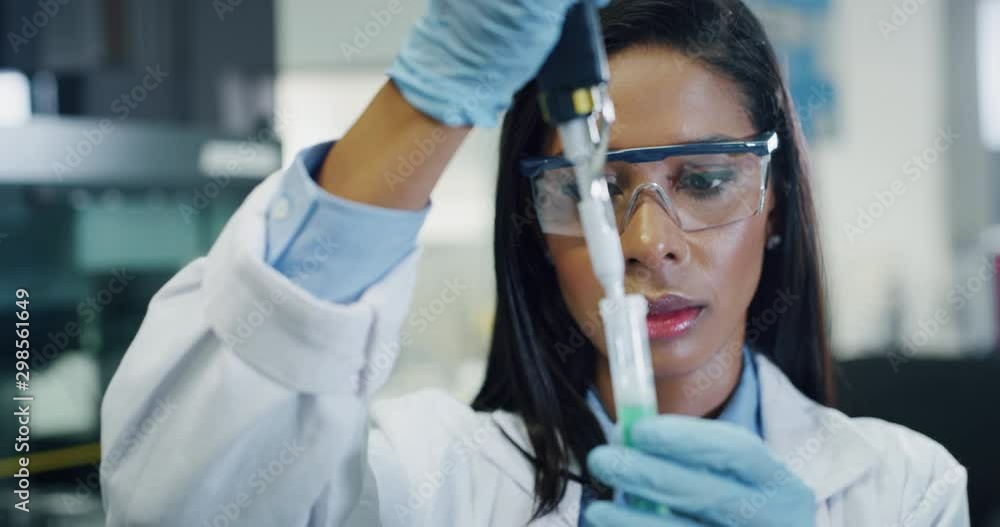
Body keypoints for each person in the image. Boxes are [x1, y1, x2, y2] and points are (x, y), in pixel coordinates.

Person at [99, 0, 970, 525]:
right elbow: (182, 505)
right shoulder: (426, 479)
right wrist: (430, 100)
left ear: (774, 205)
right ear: (536, 233)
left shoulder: (905, 491)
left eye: (705, 180)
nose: (646, 242)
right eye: (592, 191)